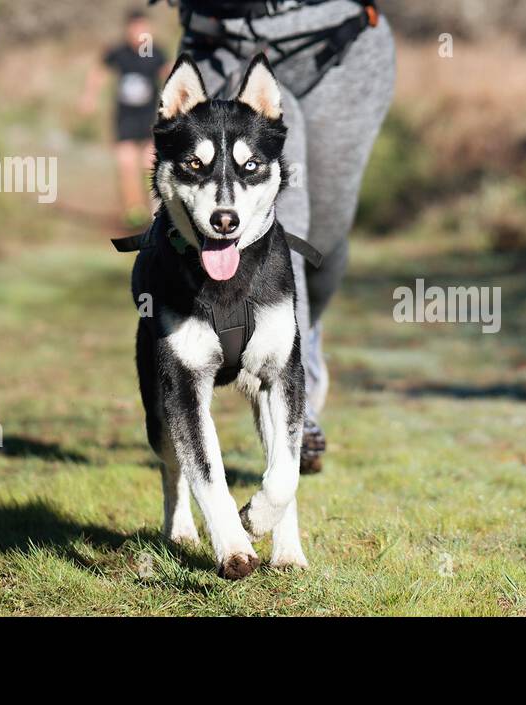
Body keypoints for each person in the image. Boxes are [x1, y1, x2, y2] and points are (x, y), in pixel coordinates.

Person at [165, 0, 396, 473]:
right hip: (225, 39)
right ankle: (296, 398)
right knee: (281, 217)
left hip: (338, 39)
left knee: (324, 241)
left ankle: (304, 331)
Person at [80, 10, 170, 227]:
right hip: (125, 118)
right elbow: (99, 70)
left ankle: (157, 210)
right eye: (135, 28)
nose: (139, 33)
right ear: (128, 29)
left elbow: (169, 74)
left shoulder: (155, 53)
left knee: (149, 163)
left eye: (143, 28)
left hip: (150, 118)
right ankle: (133, 211)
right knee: (126, 163)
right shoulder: (119, 52)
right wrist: (89, 96)